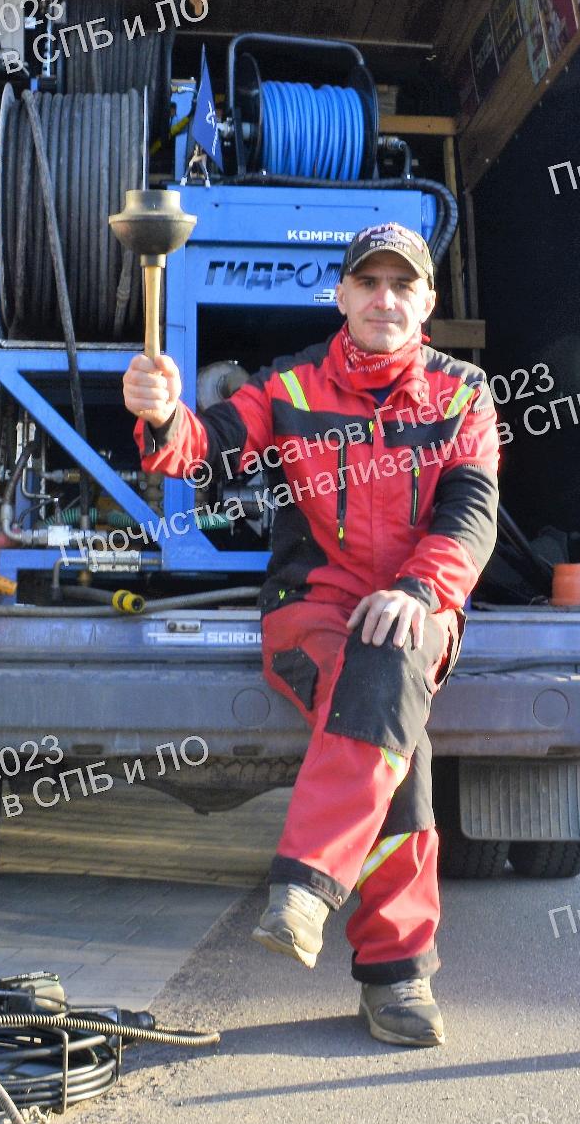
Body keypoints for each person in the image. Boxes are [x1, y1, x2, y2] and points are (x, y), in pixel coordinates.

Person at [121, 221, 499, 1047]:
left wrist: (418, 589)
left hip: (418, 607)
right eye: (369, 283)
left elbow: (472, 515)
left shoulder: (465, 393)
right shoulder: (287, 386)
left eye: (404, 285)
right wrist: (161, 415)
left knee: (392, 675)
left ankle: (306, 887)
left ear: (428, 302)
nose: (385, 299)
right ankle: (395, 976)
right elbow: (202, 450)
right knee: (396, 723)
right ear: (341, 297)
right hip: (311, 612)